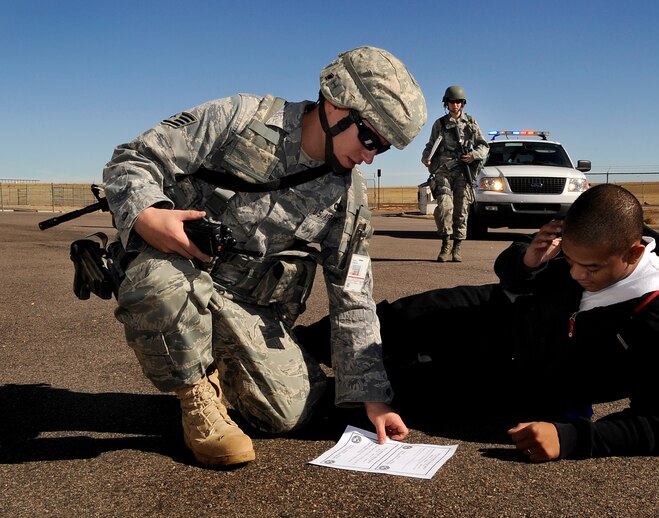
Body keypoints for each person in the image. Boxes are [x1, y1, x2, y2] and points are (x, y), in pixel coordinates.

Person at [101, 46, 427, 467]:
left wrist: (372, 397)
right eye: (368, 138)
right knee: (159, 285)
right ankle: (196, 399)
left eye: (380, 150)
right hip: (177, 266)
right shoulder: (241, 118)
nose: (368, 155)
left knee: (288, 413)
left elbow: (354, 295)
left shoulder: (348, 197)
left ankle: (214, 357)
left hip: (244, 304)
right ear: (336, 104)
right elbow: (134, 158)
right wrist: (148, 215)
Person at [296, 184, 659, 461]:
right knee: (390, 320)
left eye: (590, 268)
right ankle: (278, 350)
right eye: (569, 260)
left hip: (520, 377)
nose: (575, 275)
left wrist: (572, 439)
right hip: (492, 314)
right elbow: (514, 276)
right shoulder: (579, 251)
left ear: (634, 254)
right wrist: (528, 260)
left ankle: (278, 396)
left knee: (402, 393)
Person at [421, 85, 489, 262]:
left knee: (461, 210)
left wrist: (472, 155)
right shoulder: (440, 124)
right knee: (444, 207)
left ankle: (457, 246)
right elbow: (430, 145)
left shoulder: (471, 123)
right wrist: (426, 157)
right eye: (452, 102)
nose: (455, 105)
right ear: (447, 103)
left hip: (462, 172)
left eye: (458, 102)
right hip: (443, 171)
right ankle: (446, 244)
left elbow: (484, 146)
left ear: (463, 104)